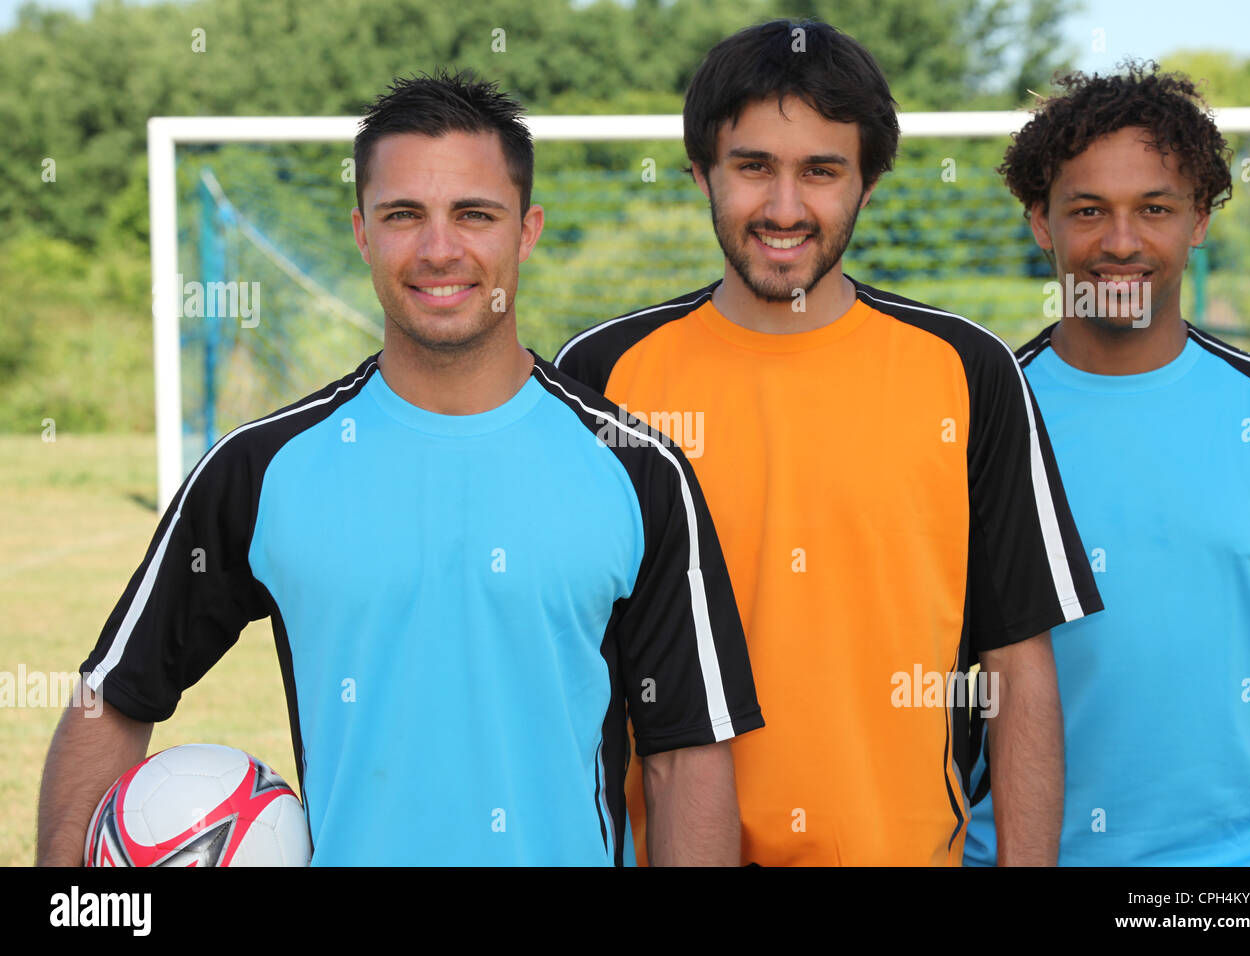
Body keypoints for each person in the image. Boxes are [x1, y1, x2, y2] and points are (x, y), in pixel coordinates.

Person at [36, 70, 762, 867]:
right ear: (362, 233)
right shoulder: (261, 469)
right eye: (403, 215)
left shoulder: (637, 470)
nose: (439, 248)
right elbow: (114, 695)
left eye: (474, 214)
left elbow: (684, 756)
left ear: (527, 231)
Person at [555, 19, 1101, 865]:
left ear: (868, 186)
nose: (784, 207)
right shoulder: (600, 373)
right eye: (753, 168)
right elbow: (564, 657)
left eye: (820, 171)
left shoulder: (967, 371)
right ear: (702, 173)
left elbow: (1017, 666)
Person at [964, 63, 1250, 865]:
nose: (1121, 243)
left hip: (1249, 863)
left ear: (1201, 221)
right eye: (1088, 211)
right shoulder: (975, 423)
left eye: (1155, 208)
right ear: (1041, 223)